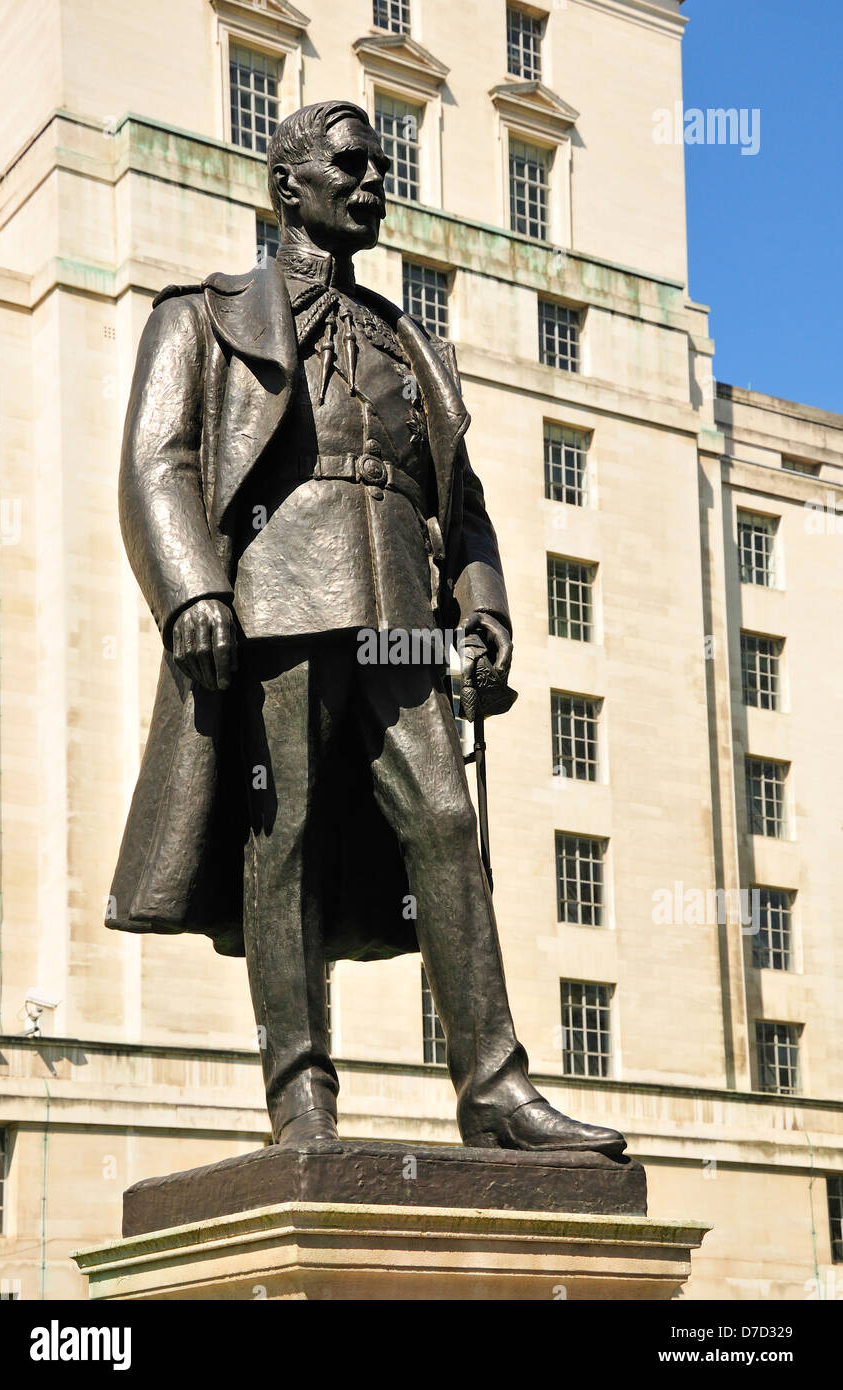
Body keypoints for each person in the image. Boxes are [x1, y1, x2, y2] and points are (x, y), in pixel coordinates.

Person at [108, 100, 626, 1158]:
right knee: (281, 838)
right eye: (347, 166)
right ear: (285, 186)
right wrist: (191, 590)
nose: (371, 183)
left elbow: (460, 499)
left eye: (380, 168)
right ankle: (299, 1094)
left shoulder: (408, 342)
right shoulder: (201, 315)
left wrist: (480, 607)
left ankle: (493, 1087)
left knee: (444, 822)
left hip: (398, 616)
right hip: (274, 605)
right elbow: (155, 462)